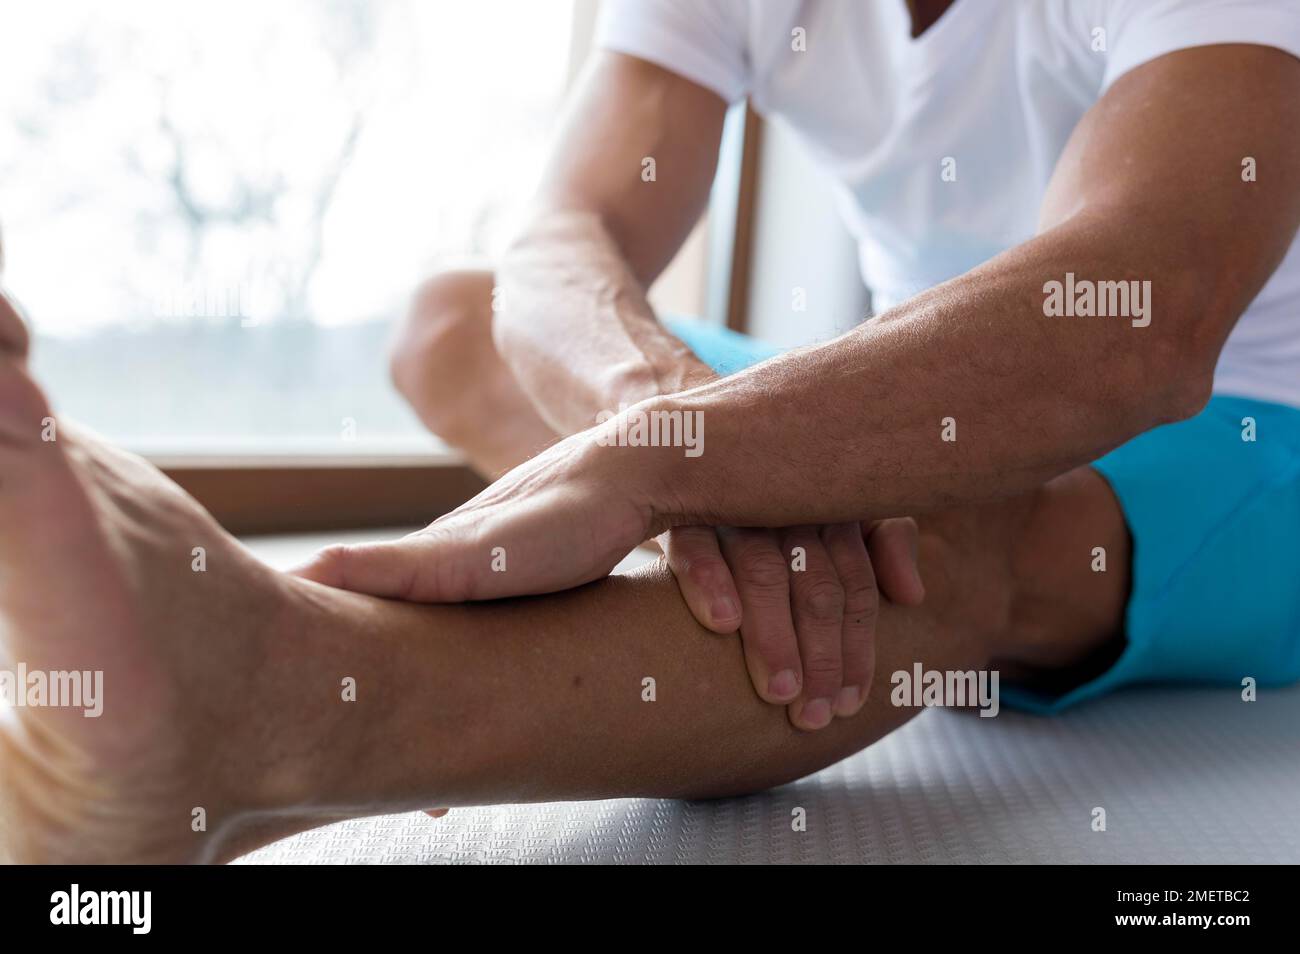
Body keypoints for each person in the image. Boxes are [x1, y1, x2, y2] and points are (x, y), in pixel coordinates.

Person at [1, 0, 1298, 863]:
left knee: (938, 521)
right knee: (451, 321)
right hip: (940, 376)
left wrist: (676, 464)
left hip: (1248, 432)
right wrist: (687, 436)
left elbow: (1139, 310)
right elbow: (556, 247)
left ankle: (259, 711)